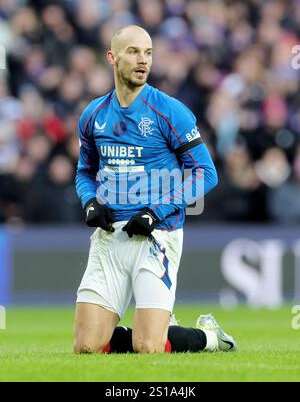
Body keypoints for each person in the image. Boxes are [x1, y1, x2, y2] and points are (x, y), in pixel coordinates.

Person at [74, 25, 237, 354]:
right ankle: (158, 326)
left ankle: (209, 337)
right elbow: (85, 172)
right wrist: (90, 202)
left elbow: (206, 173)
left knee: (148, 347)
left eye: (148, 53)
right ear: (112, 57)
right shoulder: (93, 114)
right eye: (133, 51)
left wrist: (155, 211)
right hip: (110, 239)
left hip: (157, 235)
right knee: (87, 348)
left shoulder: (170, 111)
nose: (142, 60)